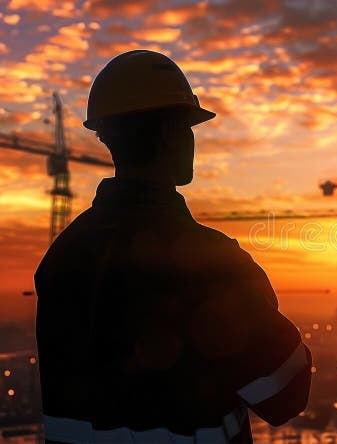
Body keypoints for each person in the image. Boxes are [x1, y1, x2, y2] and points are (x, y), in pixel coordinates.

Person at [34, 50, 311, 443]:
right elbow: (285, 394)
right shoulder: (210, 264)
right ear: (170, 132)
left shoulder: (60, 259)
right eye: (189, 127)